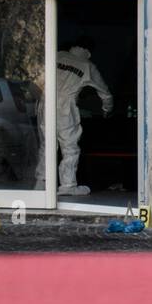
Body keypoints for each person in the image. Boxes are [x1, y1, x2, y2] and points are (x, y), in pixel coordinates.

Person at [35, 39, 114, 196]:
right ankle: (68, 185)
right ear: (89, 52)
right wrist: (107, 110)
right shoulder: (88, 66)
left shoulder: (56, 56)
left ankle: (41, 182)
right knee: (69, 147)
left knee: (47, 144)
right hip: (65, 106)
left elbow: (37, 82)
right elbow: (106, 94)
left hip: (46, 102)